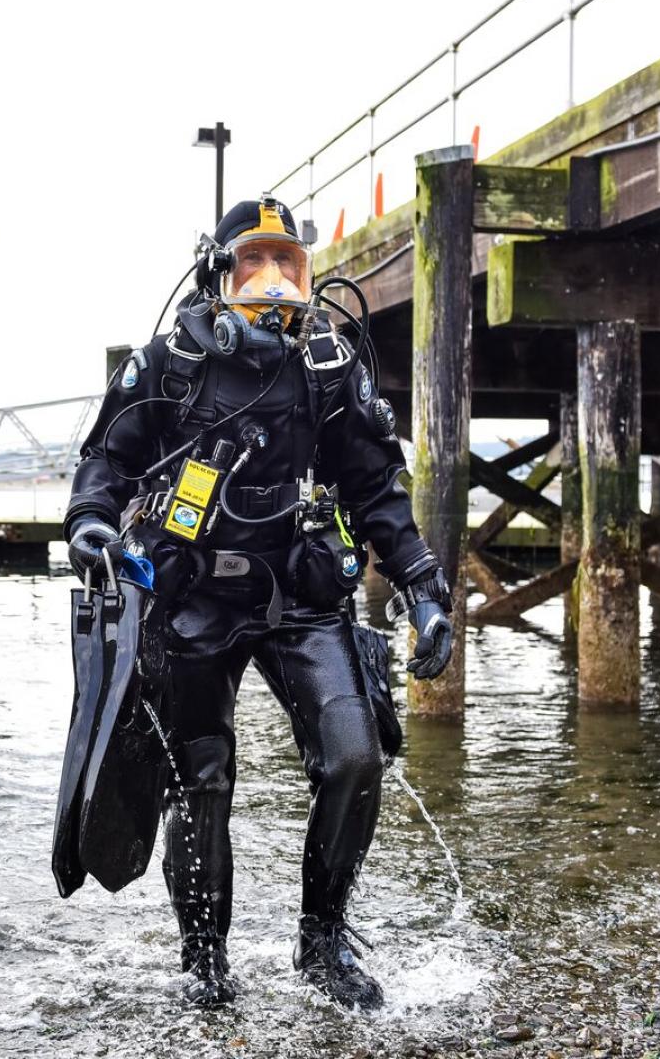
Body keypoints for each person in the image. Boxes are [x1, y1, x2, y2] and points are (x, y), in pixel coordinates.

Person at [63, 195, 454, 1009]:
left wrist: (422, 585)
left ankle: (323, 947)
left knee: (354, 759)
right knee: (201, 780)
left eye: (290, 263)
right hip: (195, 595)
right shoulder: (171, 362)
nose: (275, 281)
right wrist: (90, 526)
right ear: (218, 274)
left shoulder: (329, 365)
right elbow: (107, 458)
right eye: (255, 262)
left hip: (303, 594)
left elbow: (377, 487)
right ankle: (204, 962)